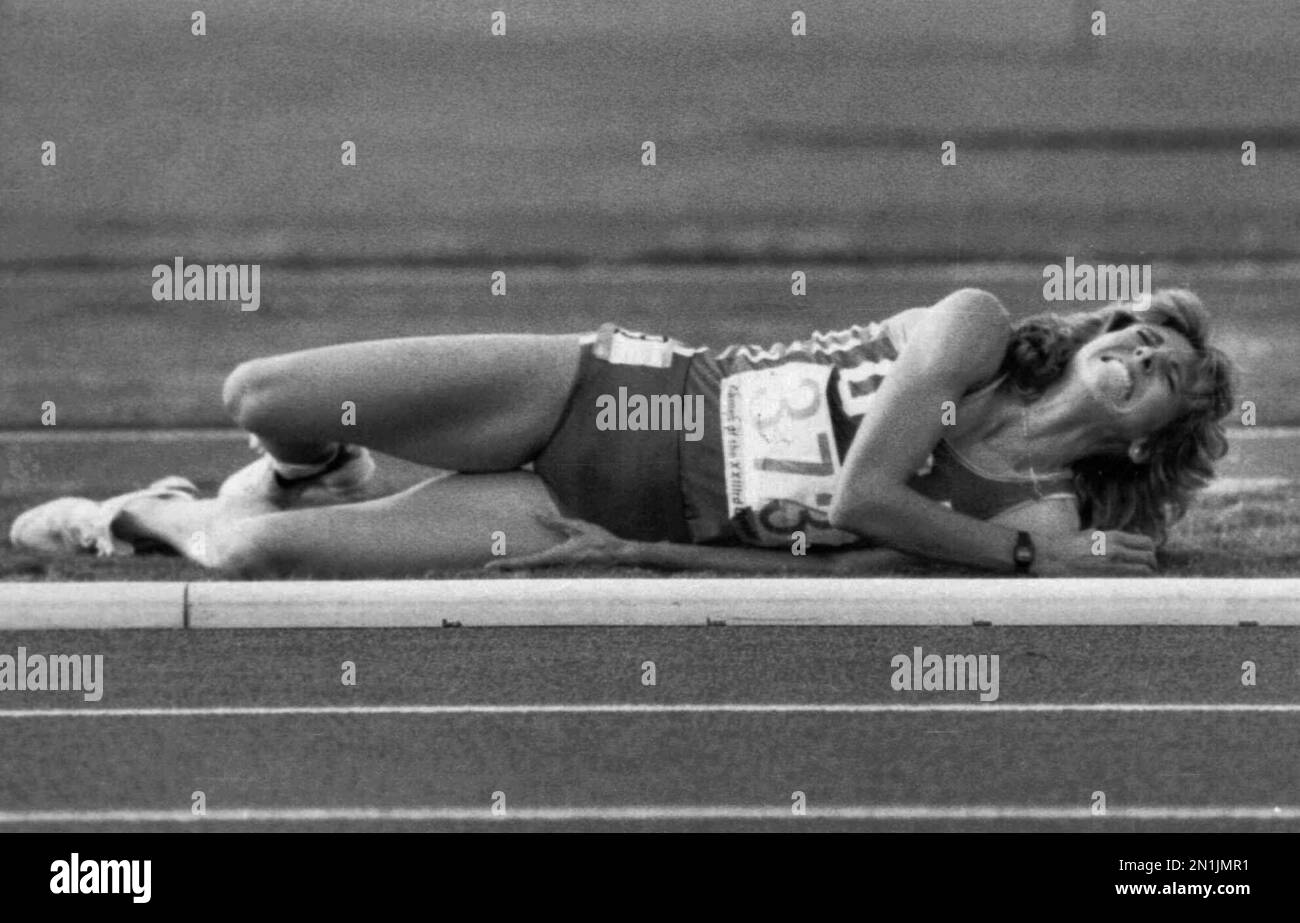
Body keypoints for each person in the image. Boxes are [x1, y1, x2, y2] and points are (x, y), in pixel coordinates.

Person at [9, 287, 1234, 577]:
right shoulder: (968, 331)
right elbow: (866, 496)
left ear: (1151, 434)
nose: (1133, 348)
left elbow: (831, 561)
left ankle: (151, 510)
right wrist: (1024, 560)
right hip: (586, 391)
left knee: (245, 557)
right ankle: (317, 464)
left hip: (589, 507)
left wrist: (636, 548)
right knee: (260, 393)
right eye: (1128, 328)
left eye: (1163, 368)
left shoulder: (1048, 514)